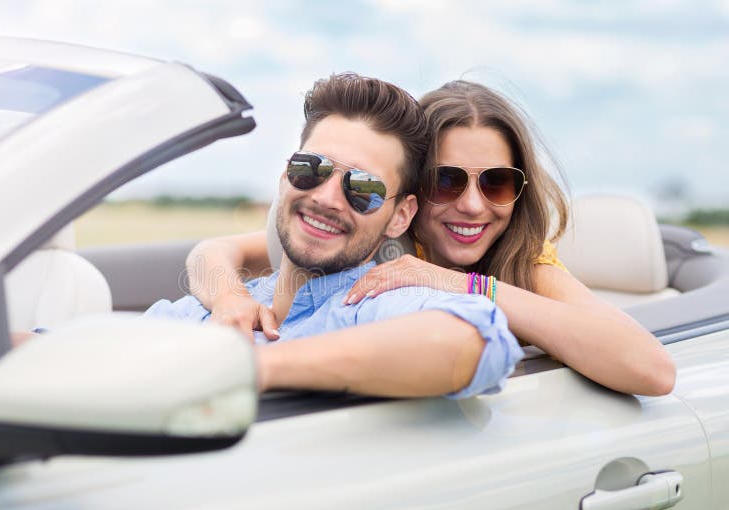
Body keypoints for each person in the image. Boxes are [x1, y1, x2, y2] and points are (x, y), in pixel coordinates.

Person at [186, 79, 676, 397]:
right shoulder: (365, 231)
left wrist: (460, 284)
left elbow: (651, 369)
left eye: (496, 182)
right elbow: (215, 252)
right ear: (409, 201)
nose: (472, 204)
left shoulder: (523, 262)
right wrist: (228, 297)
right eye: (448, 180)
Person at [146, 73, 523, 399]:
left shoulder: (377, 308)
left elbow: (476, 340)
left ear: (400, 217)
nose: (326, 198)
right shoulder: (201, 311)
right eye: (311, 168)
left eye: (363, 187)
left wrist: (250, 366)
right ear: (285, 178)